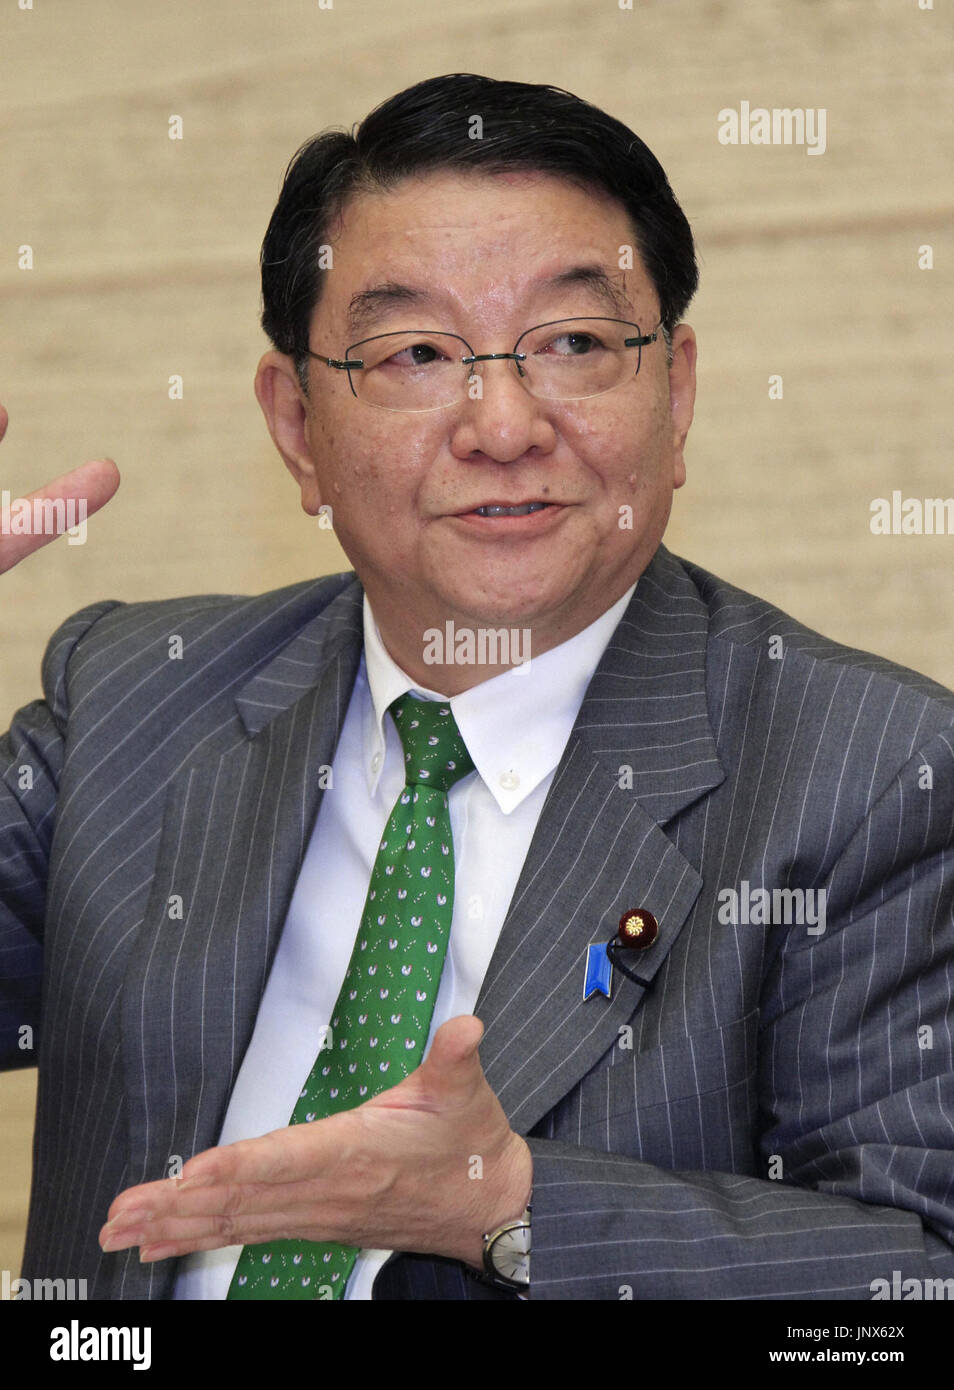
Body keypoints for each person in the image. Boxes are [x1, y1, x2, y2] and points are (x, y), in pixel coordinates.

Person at [2, 72, 953, 1302]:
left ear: (679, 395)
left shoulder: (870, 776)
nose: (503, 421)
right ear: (297, 425)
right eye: (415, 353)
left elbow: (920, 1278)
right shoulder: (136, 700)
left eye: (574, 343)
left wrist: (514, 1214)